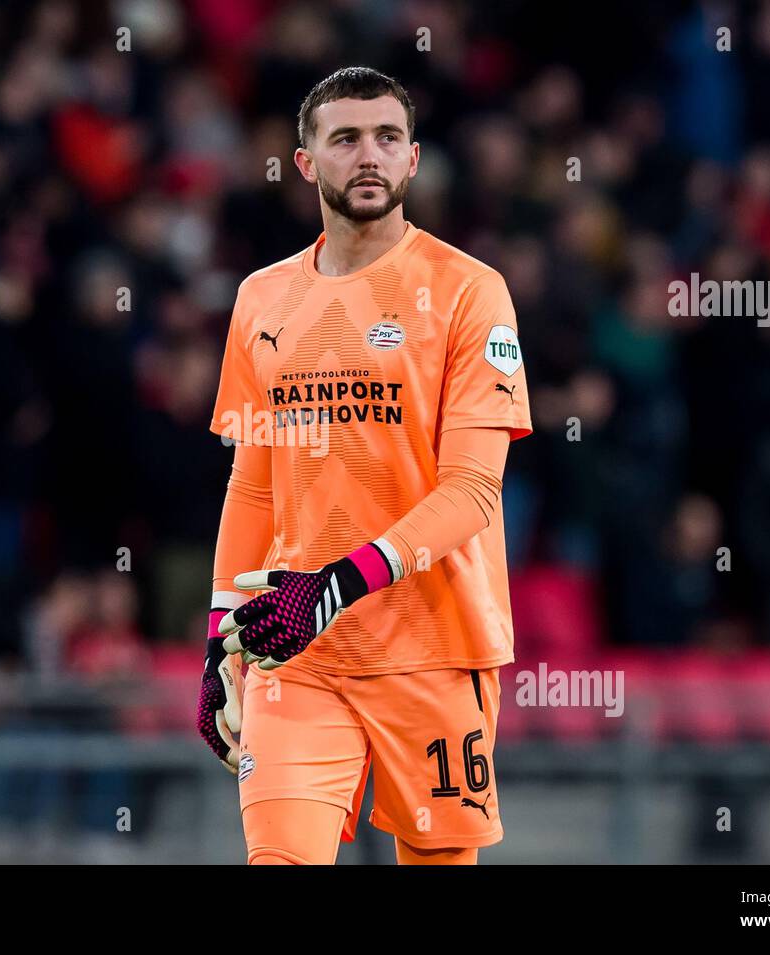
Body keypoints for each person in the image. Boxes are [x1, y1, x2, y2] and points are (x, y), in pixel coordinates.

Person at [195, 67, 532, 865]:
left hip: (435, 646)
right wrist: (218, 641)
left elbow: (474, 492)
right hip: (295, 650)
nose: (369, 154)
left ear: (413, 160)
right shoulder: (260, 299)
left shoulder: (469, 292)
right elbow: (252, 484)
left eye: (387, 137)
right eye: (345, 138)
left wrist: (336, 584)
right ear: (306, 162)